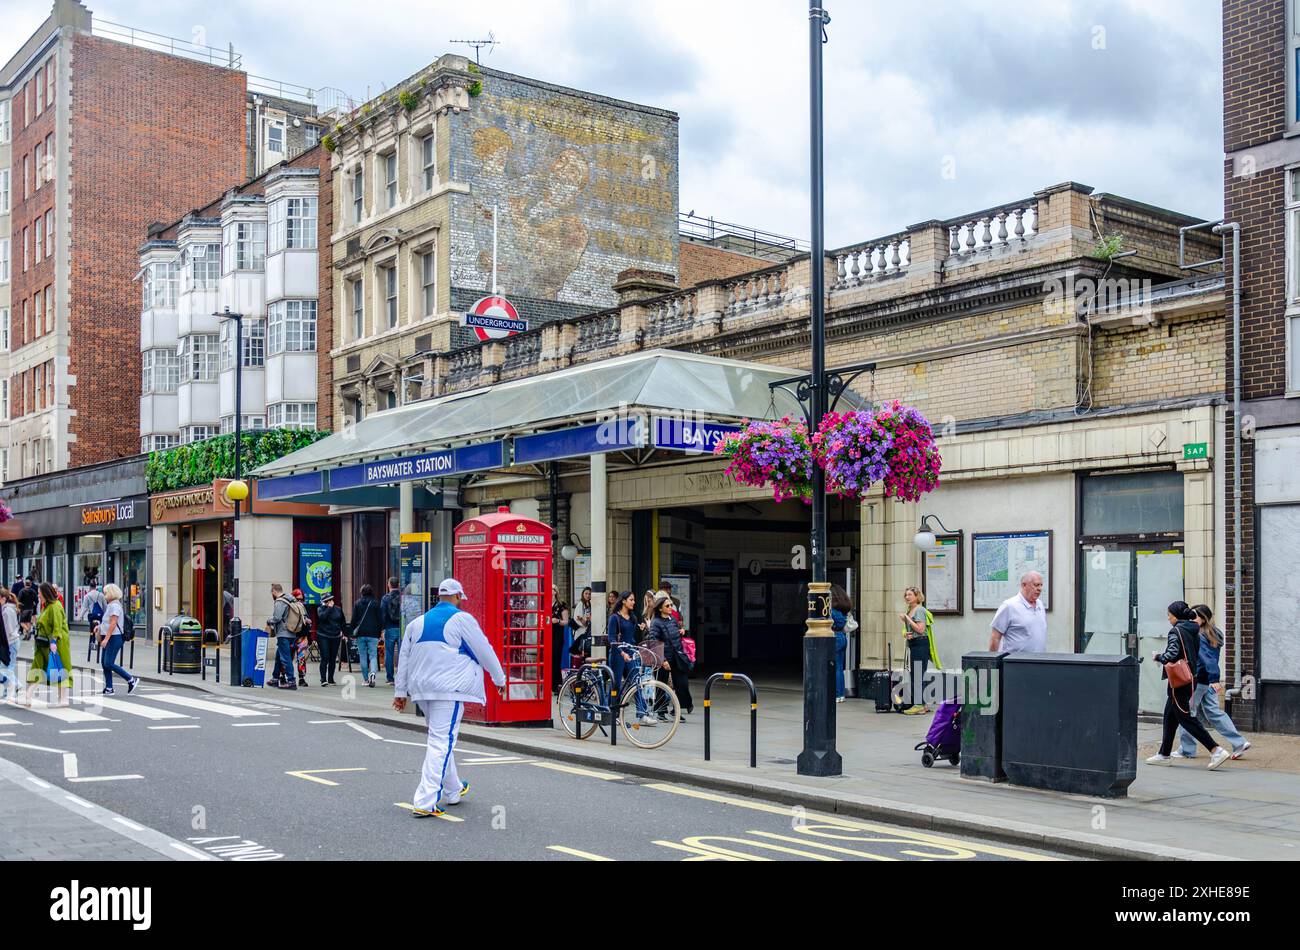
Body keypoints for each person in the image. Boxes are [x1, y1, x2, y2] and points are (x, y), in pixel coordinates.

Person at [393, 579, 506, 818]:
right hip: (449, 689)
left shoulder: (416, 623)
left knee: (440, 738)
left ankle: (454, 789)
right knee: (441, 742)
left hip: (422, 690)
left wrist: (400, 693)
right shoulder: (462, 619)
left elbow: (404, 657)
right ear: (457, 597)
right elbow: (484, 649)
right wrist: (499, 679)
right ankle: (425, 800)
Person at [1147, 601, 1230, 770]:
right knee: (1170, 716)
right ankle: (1164, 754)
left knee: (1186, 718)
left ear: (1176, 615)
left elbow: (1171, 655)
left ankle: (1216, 750)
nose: (1168, 618)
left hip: (1179, 681)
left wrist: (1158, 657)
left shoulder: (1176, 631)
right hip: (1191, 678)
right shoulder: (1193, 630)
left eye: (1169, 614)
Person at [1176, 605, 1250, 761]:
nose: (1191, 620)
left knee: (1187, 714)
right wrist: (1213, 679)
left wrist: (1215, 679)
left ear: (1203, 618)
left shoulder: (1200, 635)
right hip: (1207, 681)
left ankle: (1187, 750)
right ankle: (1239, 742)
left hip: (1198, 681)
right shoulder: (1214, 633)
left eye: (1194, 617)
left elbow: (1207, 659)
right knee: (1215, 713)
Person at [607, 590, 652, 725]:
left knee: (636, 682)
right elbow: (611, 639)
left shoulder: (633, 618)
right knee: (616, 684)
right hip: (617, 654)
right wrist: (622, 653)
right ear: (623, 601)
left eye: (633, 600)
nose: (633, 602)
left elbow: (631, 638)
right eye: (631, 600)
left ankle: (642, 714)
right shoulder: (615, 618)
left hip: (630, 654)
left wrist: (638, 647)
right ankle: (612, 713)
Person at [26, 582, 72, 707]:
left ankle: (63, 699)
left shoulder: (55, 606)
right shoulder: (47, 606)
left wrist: (53, 642)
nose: (38, 596)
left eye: (40, 594)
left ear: (46, 594)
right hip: (43, 643)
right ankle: (27, 696)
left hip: (56, 644)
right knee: (38, 667)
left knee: (58, 668)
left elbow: (57, 626)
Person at [648, 591, 693, 716]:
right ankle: (661, 711)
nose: (670, 608)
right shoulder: (656, 622)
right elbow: (654, 642)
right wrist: (663, 660)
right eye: (667, 606)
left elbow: (673, 635)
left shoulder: (672, 619)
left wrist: (681, 632)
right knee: (661, 685)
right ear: (660, 608)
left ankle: (679, 708)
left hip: (677, 656)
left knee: (681, 683)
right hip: (664, 657)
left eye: (671, 605)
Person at [899, 586, 941, 715]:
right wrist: (906, 634)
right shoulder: (909, 610)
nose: (907, 597)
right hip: (914, 643)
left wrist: (907, 619)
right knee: (916, 674)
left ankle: (919, 705)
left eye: (910, 594)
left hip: (921, 644)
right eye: (906, 595)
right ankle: (922, 704)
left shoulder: (919, 610)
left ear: (917, 597)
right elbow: (908, 630)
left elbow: (921, 629)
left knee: (917, 674)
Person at [988, 571, 1047, 655]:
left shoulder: (1040, 605)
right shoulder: (1009, 606)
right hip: (1015, 664)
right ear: (1024, 585)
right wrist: (992, 664)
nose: (1040, 588)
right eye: (1036, 585)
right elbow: (995, 638)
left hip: (1038, 662)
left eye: (1041, 585)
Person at [97, 583, 140, 695]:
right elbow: (108, 622)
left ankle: (131, 679)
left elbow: (113, 623)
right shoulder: (111, 605)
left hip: (114, 637)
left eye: (106, 592)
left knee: (109, 663)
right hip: (110, 637)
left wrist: (106, 639)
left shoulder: (115, 606)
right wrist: (100, 627)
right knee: (104, 662)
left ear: (111, 593)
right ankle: (109, 688)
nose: (104, 594)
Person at [265, 583, 301, 690]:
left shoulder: (280, 601)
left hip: (283, 633)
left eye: (272, 592)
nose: (272, 595)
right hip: (291, 632)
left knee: (286, 658)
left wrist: (269, 620)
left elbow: (277, 618)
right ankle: (275, 678)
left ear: (274, 591)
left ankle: (291, 681)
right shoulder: (291, 599)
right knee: (278, 656)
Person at [351, 583, 383, 687]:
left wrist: (351, 632)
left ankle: (365, 679)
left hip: (361, 633)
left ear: (361, 592)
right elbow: (379, 619)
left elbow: (354, 619)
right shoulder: (375, 603)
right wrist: (380, 632)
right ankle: (373, 673)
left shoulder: (357, 603)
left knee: (363, 656)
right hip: (373, 634)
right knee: (373, 655)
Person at [315, 592, 345, 686]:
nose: (329, 602)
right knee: (325, 657)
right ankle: (323, 679)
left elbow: (342, 622)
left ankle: (331, 679)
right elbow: (322, 618)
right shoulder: (321, 609)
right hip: (323, 636)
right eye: (326, 601)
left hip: (335, 636)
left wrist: (344, 632)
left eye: (330, 600)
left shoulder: (338, 609)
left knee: (333, 658)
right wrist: (329, 608)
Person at [380, 576, 403, 685]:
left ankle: (390, 678)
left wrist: (383, 629)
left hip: (389, 628)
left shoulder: (385, 598)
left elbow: (382, 614)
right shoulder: (403, 597)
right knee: (402, 653)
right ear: (398, 585)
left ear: (388, 585)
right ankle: (401, 677)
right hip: (401, 628)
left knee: (388, 654)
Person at [831, 584, 852, 704]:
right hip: (842, 637)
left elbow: (835, 624)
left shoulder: (832, 609)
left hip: (834, 637)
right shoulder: (842, 609)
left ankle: (837, 694)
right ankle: (840, 694)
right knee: (839, 667)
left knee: (834, 668)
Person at [292, 588, 312, 688]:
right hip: (291, 636)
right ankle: (285, 676)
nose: (300, 601)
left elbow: (309, 621)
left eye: (301, 599)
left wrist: (308, 621)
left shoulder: (305, 607)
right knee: (288, 658)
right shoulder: (290, 607)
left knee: (301, 658)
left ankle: (301, 678)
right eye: (297, 599)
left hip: (302, 636)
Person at [550, 586, 570, 689]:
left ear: (556, 592)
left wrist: (557, 621)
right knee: (547, 658)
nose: (550, 591)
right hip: (546, 634)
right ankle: (547, 683)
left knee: (555, 657)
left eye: (552, 589)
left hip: (557, 634)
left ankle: (556, 683)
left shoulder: (561, 605)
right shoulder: (544, 604)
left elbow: (566, 621)